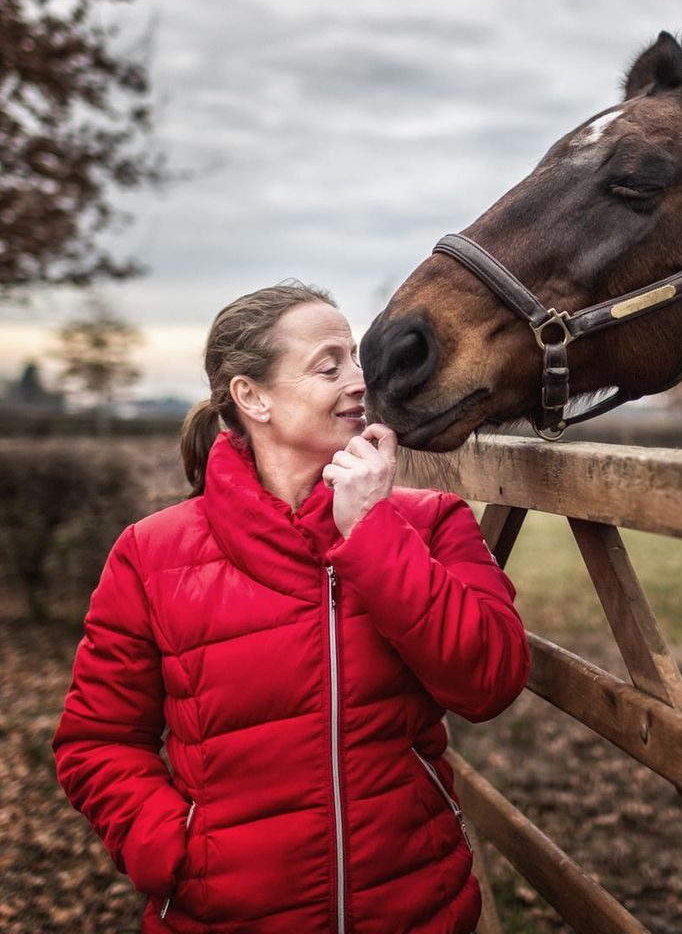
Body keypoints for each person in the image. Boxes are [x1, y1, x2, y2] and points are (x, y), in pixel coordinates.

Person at [51, 283, 530, 933]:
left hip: (415, 909)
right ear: (253, 397)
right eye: (329, 365)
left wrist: (371, 535)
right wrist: (172, 851)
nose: (361, 381)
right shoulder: (150, 554)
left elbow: (491, 682)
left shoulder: (432, 524)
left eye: (356, 359)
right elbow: (97, 741)